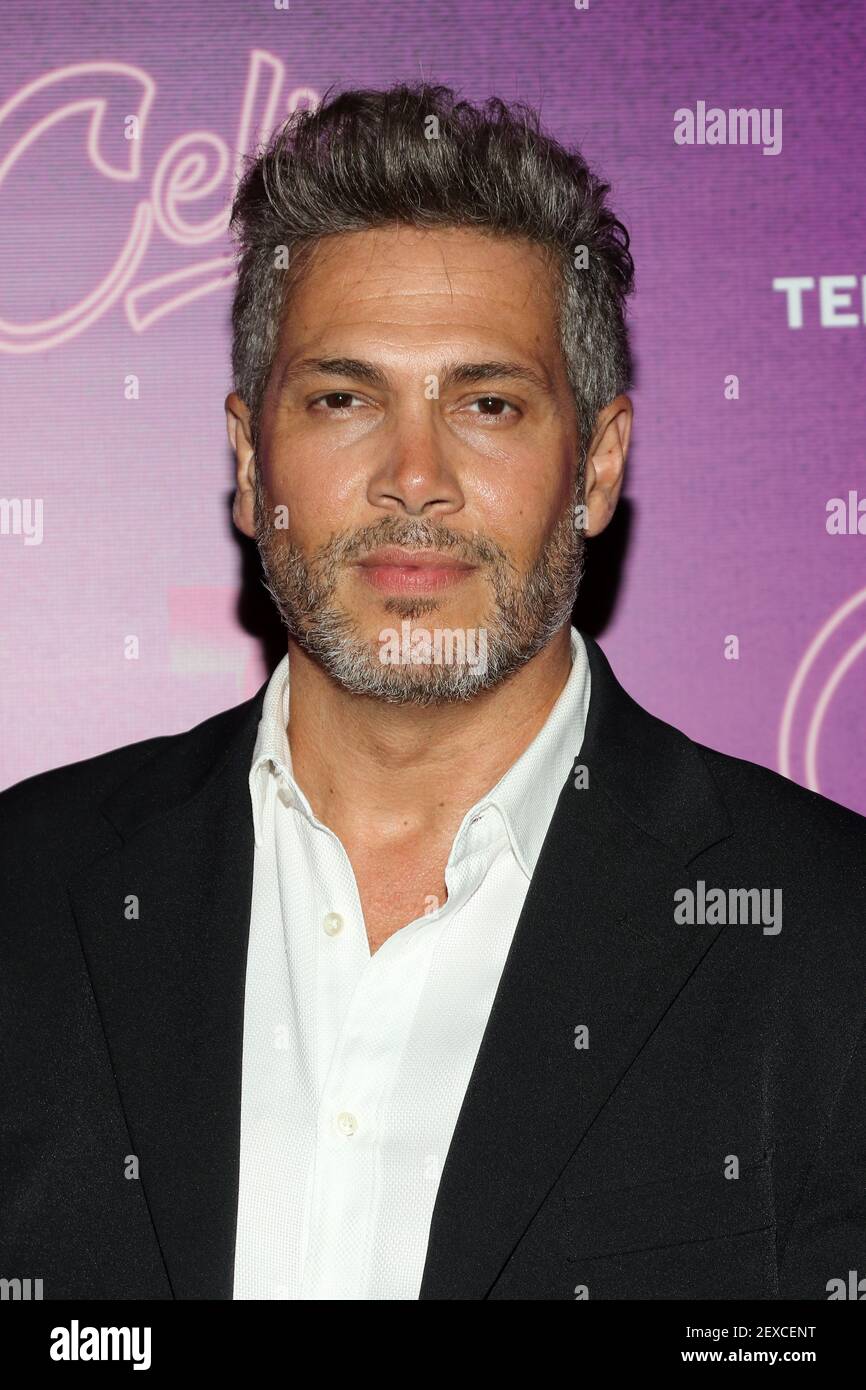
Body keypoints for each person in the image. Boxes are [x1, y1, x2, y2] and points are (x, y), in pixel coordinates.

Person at [2, 83, 865, 1302]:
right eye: (345, 399)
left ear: (597, 464)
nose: (416, 479)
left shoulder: (829, 938)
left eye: (487, 404)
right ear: (252, 463)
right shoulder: (28, 894)